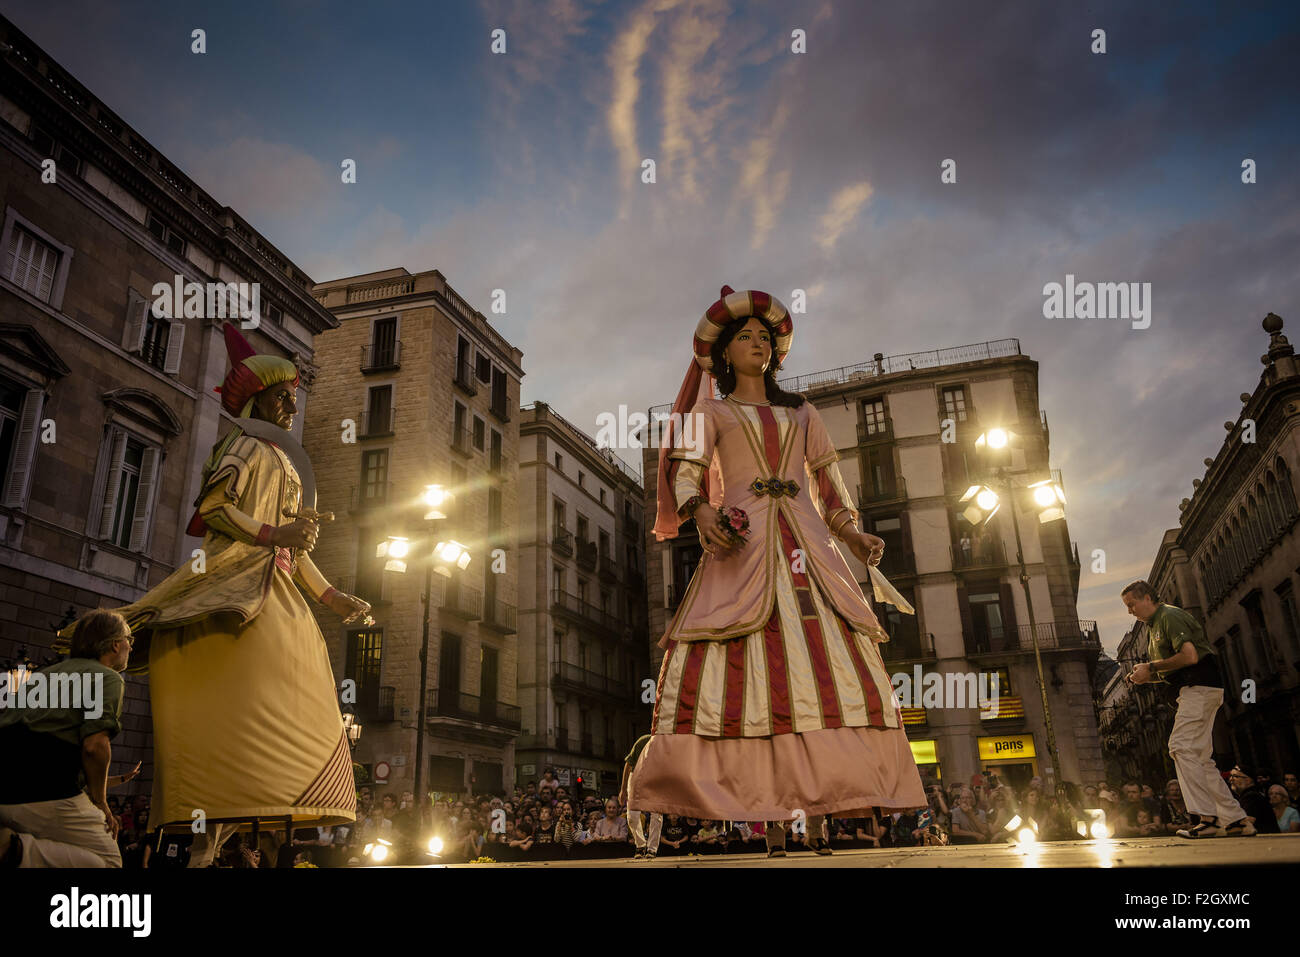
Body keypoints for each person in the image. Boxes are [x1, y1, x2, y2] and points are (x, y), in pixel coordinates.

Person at [631, 287, 926, 859]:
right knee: (749, 675)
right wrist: (703, 511)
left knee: (821, 670)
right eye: (745, 336)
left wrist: (853, 533)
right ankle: (768, 822)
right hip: (744, 549)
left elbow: (830, 491)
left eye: (765, 337)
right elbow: (687, 474)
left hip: (807, 547)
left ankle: (818, 816)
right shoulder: (709, 412)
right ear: (723, 353)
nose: (758, 344)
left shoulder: (803, 412)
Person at [55, 325, 366, 866]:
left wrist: (333, 597)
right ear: (257, 401)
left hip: (277, 588)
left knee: (299, 697)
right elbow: (217, 508)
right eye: (282, 397)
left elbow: (295, 548)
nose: (291, 405)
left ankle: (239, 827)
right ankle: (203, 836)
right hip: (232, 582)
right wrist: (275, 535)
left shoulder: (289, 467)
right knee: (236, 718)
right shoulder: (241, 446)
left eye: (294, 397)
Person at [1122, 580, 1254, 838]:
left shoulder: (1169, 616)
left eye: (1132, 604)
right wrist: (1146, 676)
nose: (1130, 611)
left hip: (1198, 688)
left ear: (1148, 597)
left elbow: (1190, 656)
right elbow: (1174, 666)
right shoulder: (1154, 626)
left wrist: (1152, 667)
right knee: (1199, 758)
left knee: (1180, 747)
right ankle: (1235, 819)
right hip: (1194, 690)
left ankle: (1208, 819)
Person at [0, 610, 131, 867]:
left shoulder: (44, 675)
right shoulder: (108, 678)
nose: (130, 646)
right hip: (44, 789)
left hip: (6, 787)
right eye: (129, 639)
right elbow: (94, 746)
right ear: (115, 644)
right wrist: (101, 803)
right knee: (109, 861)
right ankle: (11, 849)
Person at [621, 733, 662, 860]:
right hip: (637, 776)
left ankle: (651, 849)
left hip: (656, 778)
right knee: (632, 814)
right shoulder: (644, 740)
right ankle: (640, 845)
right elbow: (628, 764)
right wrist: (623, 790)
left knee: (657, 814)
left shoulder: (668, 744)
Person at [1227, 765, 1277, 834]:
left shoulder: (1252, 797)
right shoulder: (1250, 795)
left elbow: (1245, 823)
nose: (1231, 779)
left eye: (1235, 776)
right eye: (1230, 776)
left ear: (1249, 780)